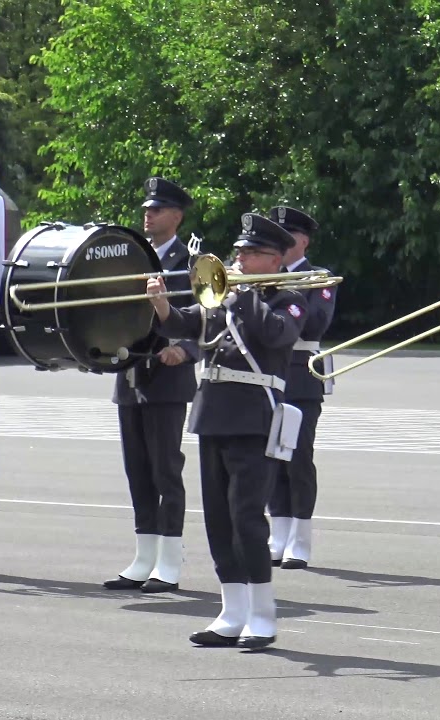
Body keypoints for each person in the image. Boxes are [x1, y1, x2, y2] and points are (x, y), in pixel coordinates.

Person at [147, 212, 305, 649]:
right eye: (240, 252)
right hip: (214, 414)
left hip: (254, 417)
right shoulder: (223, 298)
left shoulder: (289, 298)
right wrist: (161, 304)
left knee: (246, 517)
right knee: (218, 519)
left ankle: (263, 613)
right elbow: (187, 324)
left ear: (275, 260)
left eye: (253, 254)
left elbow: (276, 336)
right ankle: (231, 610)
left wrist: (242, 292)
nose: (241, 259)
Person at [104, 177, 199, 593]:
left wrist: (186, 350)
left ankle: (170, 560)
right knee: (137, 470)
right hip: (131, 374)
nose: (148, 214)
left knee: (165, 469)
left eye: (157, 209)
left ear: (176, 216)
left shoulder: (190, 261)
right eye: (147, 208)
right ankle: (144, 556)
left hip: (167, 377)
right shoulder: (130, 256)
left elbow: (205, 313)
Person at [265, 205, 335, 569]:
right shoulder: (263, 275)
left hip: (301, 376)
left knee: (299, 457)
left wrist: (282, 292)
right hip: (267, 373)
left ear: (302, 241)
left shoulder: (318, 277)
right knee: (272, 457)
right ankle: (278, 533)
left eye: (286, 235)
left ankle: (301, 537)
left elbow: (315, 326)